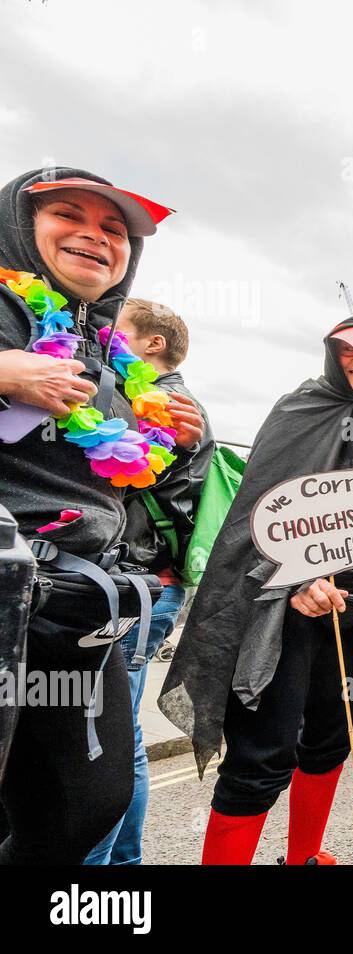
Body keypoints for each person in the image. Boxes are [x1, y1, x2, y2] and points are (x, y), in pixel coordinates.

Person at [158, 314, 353, 865]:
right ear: (331, 356)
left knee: (330, 740)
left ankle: (304, 857)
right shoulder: (301, 408)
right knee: (262, 754)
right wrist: (296, 580)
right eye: (348, 350)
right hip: (289, 611)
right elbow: (261, 511)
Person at [0, 168, 177, 864]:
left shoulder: (106, 349)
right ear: (19, 222)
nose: (94, 236)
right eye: (68, 215)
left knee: (86, 802)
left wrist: (163, 440)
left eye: (114, 230)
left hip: (75, 605)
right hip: (9, 592)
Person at [85, 300, 213, 865]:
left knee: (105, 738)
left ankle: (105, 869)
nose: (107, 339)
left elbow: (115, 488)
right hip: (144, 584)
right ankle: (121, 861)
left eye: (120, 333)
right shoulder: (148, 398)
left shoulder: (163, 406)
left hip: (138, 583)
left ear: (153, 345)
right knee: (119, 734)